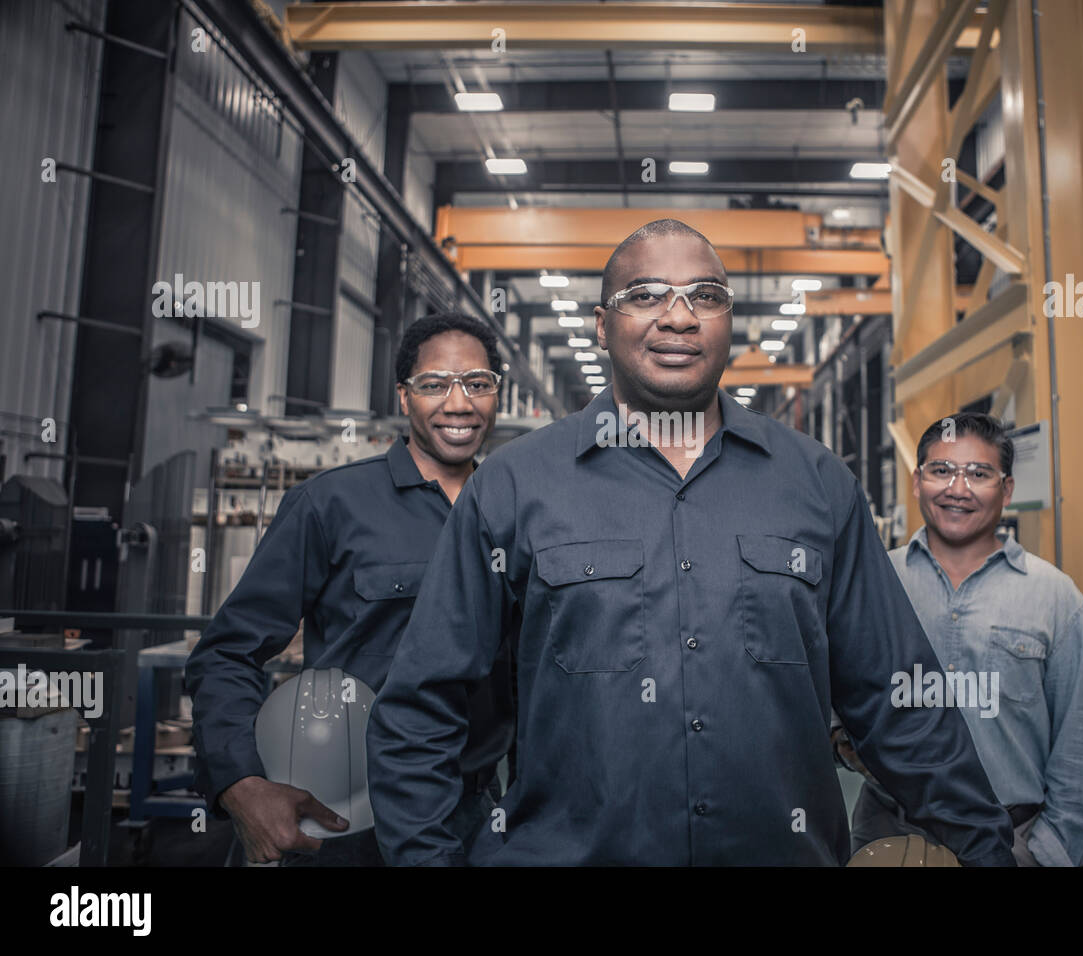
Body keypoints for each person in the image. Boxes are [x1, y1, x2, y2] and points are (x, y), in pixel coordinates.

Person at [367, 219, 1016, 866]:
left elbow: (899, 700)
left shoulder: (817, 485)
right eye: (646, 295)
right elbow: (420, 709)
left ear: (729, 320)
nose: (678, 318)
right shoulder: (514, 485)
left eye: (704, 296)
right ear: (600, 324)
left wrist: (988, 850)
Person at [184, 312, 514, 865]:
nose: (459, 404)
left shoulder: (514, 511)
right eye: (434, 384)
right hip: (347, 809)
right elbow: (226, 652)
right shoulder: (331, 504)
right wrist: (239, 781)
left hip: (476, 811)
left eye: (477, 384)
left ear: (495, 394)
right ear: (404, 396)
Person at [845, 411, 1083, 866]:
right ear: (917, 481)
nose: (957, 489)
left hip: (1014, 842)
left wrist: (1046, 855)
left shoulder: (1054, 598)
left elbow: (1081, 750)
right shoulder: (874, 582)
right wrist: (846, 744)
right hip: (887, 834)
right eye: (941, 470)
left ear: (1006, 489)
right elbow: (834, 691)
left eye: (979, 474)